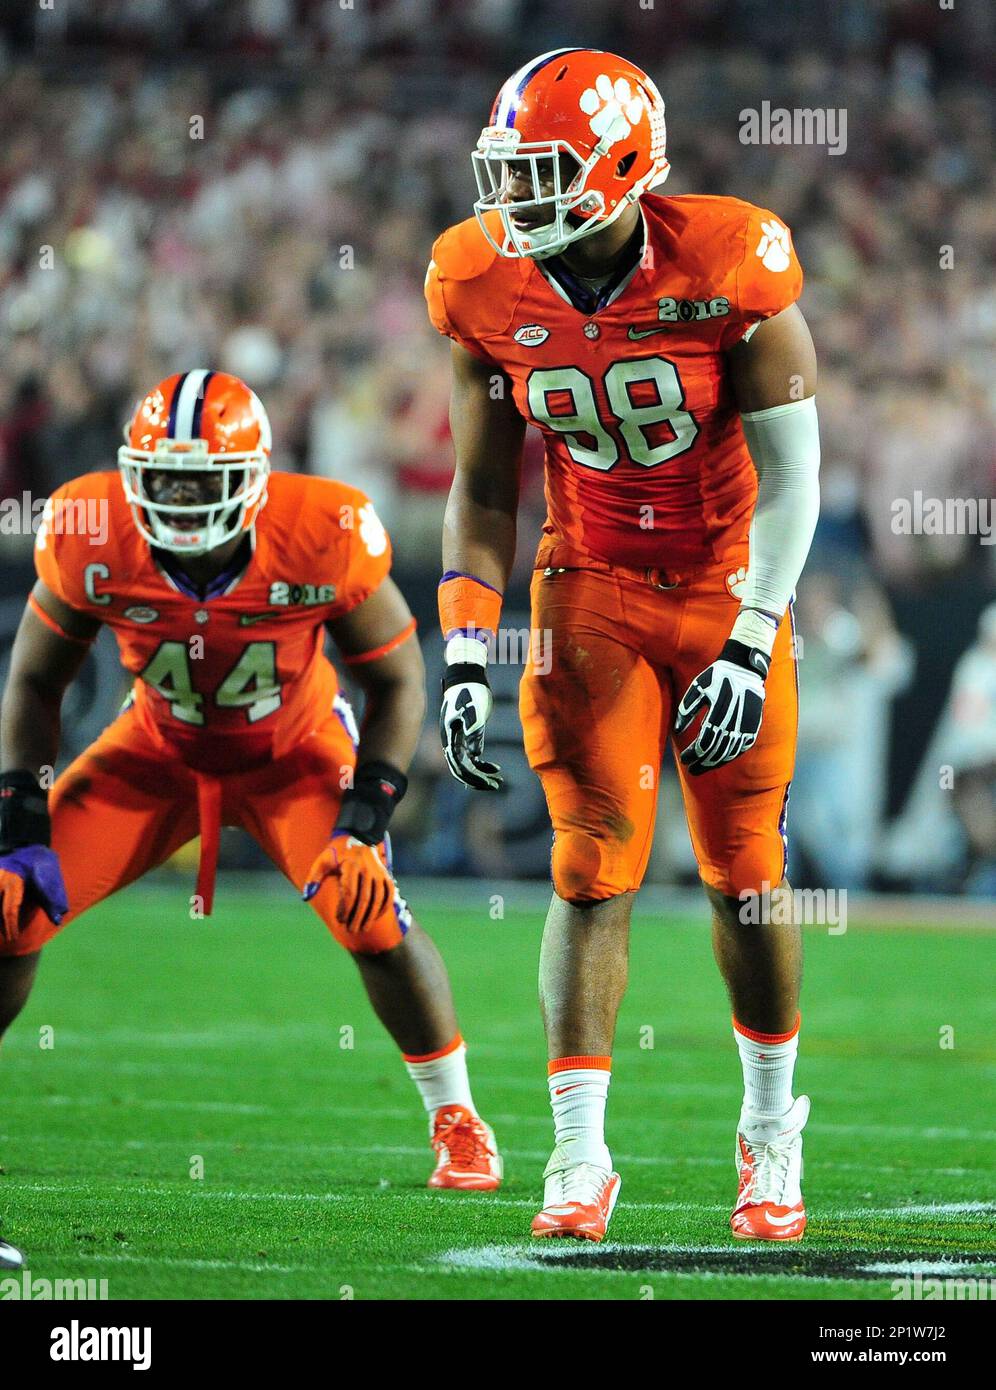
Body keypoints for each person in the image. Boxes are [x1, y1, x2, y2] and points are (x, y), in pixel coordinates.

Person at [427, 49, 820, 1242]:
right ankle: (579, 1155)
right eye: (510, 174)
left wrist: (753, 637)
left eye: (546, 174)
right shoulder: (478, 281)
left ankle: (768, 1134)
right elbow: (483, 489)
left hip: (722, 581)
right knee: (592, 859)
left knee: (745, 868)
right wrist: (462, 646)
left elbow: (796, 474)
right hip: (588, 582)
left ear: (626, 163)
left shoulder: (729, 257)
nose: (520, 203)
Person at [0, 370, 502, 1252]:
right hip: (155, 751)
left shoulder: (320, 531)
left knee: (370, 911)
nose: (181, 501)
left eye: (202, 482)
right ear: (131, 475)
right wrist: (19, 817)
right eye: (163, 481)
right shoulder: (93, 529)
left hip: (292, 755)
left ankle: (457, 1119)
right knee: (9, 909)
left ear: (255, 477)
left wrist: (366, 817)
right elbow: (37, 678)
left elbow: (395, 677)